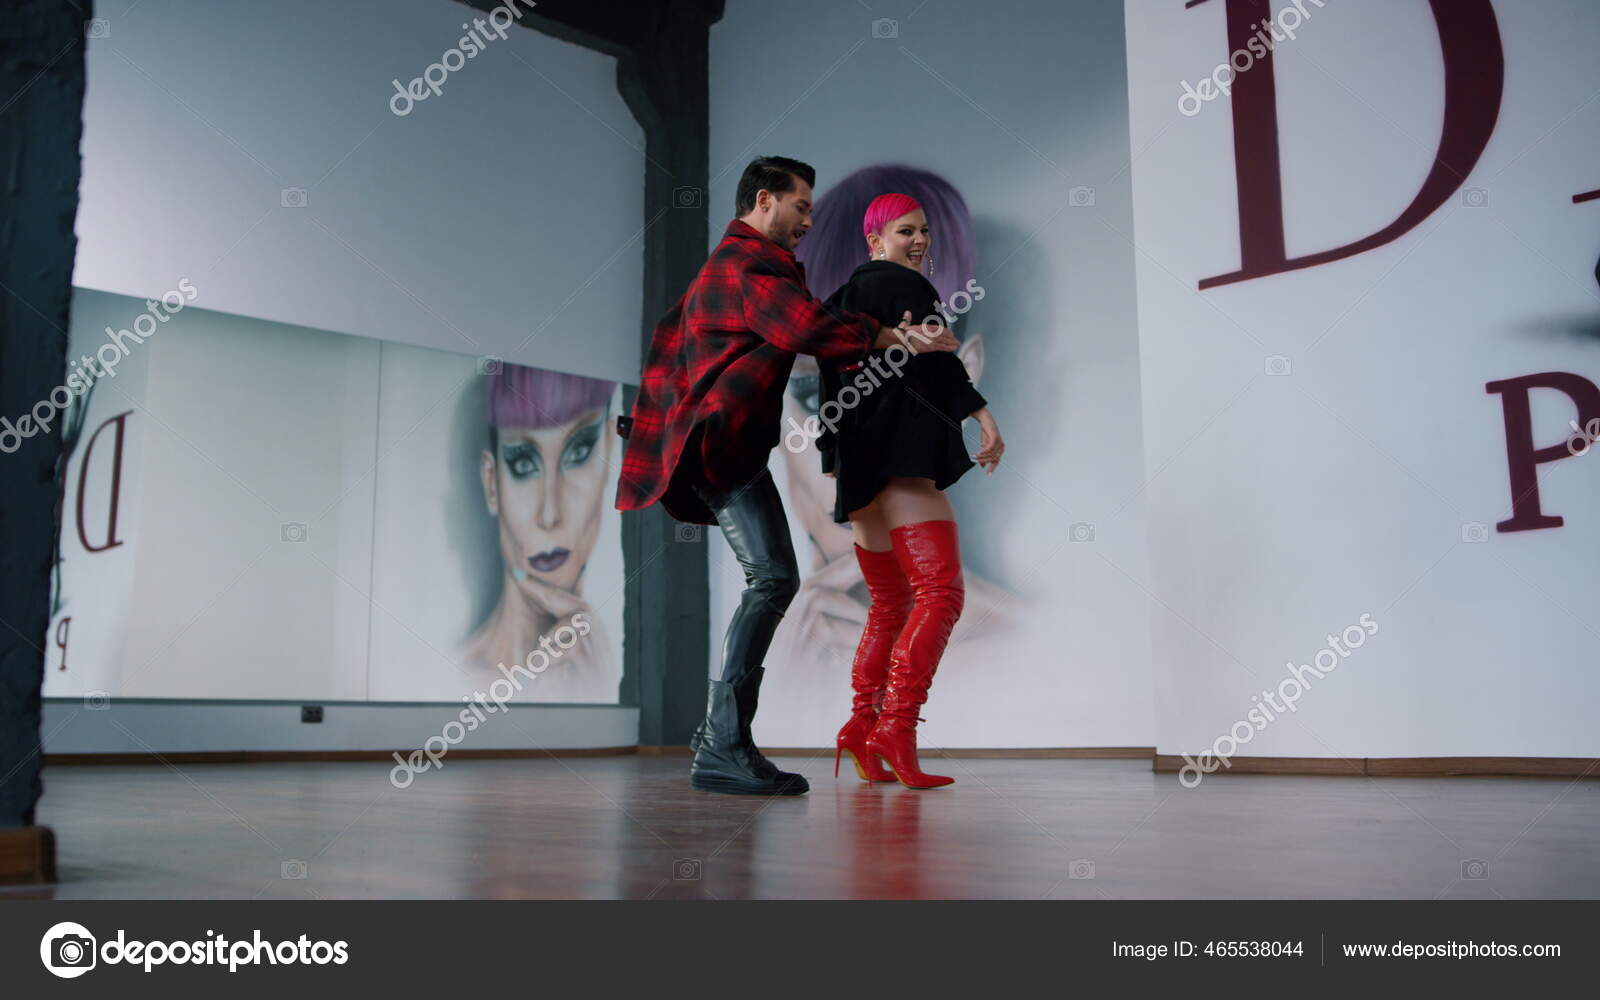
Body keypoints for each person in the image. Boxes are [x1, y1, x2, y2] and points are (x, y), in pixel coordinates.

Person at [615, 155, 962, 795]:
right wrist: (897, 337)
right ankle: (722, 743)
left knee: (777, 578)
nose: (808, 220)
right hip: (716, 443)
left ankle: (724, 741)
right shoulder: (746, 264)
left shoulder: (749, 265)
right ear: (765, 200)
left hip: (726, 443)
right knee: (775, 578)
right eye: (801, 206)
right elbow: (805, 326)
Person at [815, 190, 1004, 789]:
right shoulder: (906, 286)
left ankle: (861, 724)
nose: (919, 240)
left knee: (890, 604)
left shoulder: (843, 301)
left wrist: (830, 455)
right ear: (875, 240)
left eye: (923, 231)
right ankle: (895, 728)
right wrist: (983, 416)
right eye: (905, 231)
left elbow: (828, 381)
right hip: (899, 455)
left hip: (859, 465)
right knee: (940, 592)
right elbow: (940, 366)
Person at [462, 362, 620, 703]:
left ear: (609, 450)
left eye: (578, 452)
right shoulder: (455, 678)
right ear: (492, 483)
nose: (550, 515)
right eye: (523, 463)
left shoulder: (610, 668)